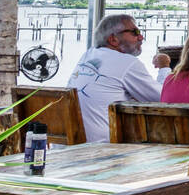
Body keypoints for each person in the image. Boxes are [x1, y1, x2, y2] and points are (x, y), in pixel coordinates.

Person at [67, 14, 172, 142]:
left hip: (69, 145)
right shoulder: (127, 62)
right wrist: (164, 68)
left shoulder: (88, 54)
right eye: (134, 32)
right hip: (101, 149)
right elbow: (164, 98)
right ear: (113, 40)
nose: (141, 37)